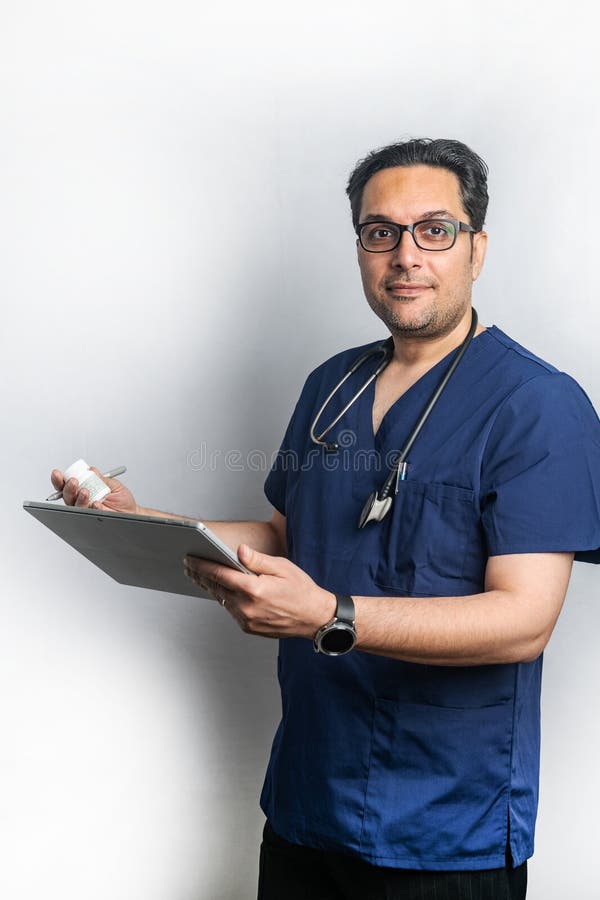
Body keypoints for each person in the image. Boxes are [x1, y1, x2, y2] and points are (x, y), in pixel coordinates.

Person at [51, 138, 600, 900]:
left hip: (446, 826)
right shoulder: (331, 387)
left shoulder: (539, 406)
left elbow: (524, 621)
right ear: (361, 249)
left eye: (434, 230)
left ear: (478, 248)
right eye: (381, 232)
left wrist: (329, 615)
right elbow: (284, 538)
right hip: (309, 799)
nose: (406, 255)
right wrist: (144, 518)